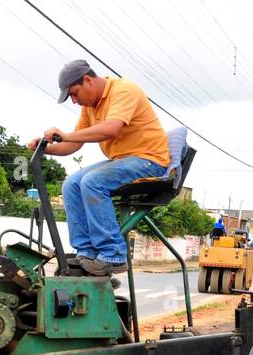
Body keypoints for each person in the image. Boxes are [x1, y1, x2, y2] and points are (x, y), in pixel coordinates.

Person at [28, 59, 170, 277]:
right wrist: (45, 148)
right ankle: (86, 251)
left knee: (92, 182)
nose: (75, 101)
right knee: (71, 184)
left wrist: (66, 134)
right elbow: (74, 144)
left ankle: (113, 255)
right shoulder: (90, 106)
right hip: (121, 161)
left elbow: (111, 129)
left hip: (149, 160)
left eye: (75, 94)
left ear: (87, 80)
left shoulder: (124, 90)